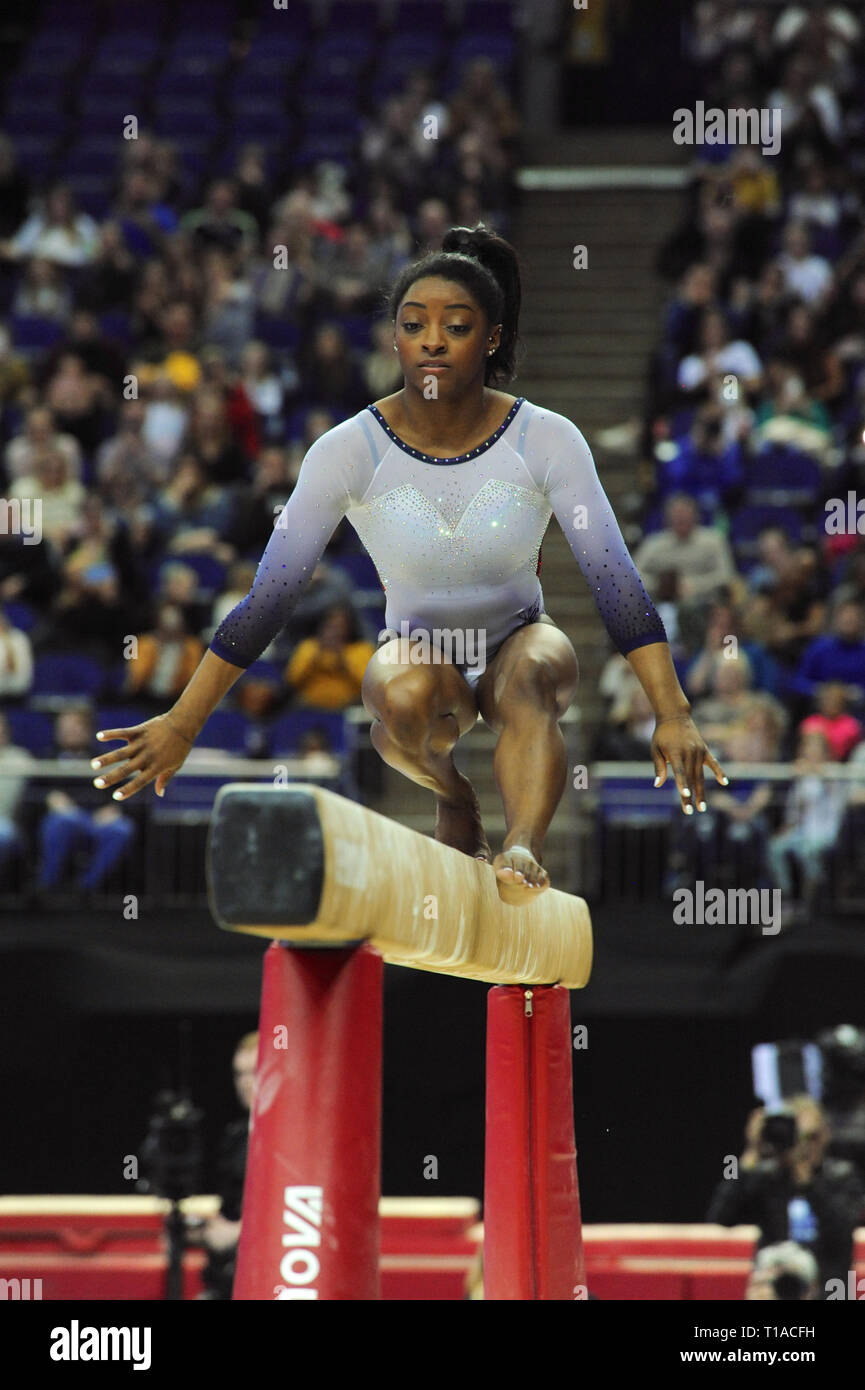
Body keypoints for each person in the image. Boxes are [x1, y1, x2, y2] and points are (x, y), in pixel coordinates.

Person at [89, 224, 728, 901]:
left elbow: (617, 586)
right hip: (418, 652)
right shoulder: (346, 451)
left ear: (489, 338)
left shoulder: (546, 439)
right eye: (412, 324)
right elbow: (268, 601)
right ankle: (455, 798)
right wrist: (183, 722)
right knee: (398, 695)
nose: (430, 340)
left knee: (532, 675)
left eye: (454, 326)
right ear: (393, 338)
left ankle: (521, 851)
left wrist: (672, 711)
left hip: (519, 637)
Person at [707, 1096, 864, 1296]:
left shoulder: (842, 1177)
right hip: (772, 1286)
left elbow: (841, 1231)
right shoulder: (767, 1178)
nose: (805, 1146)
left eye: (812, 1137)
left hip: (828, 1288)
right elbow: (720, 1217)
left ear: (826, 1135)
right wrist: (750, 1153)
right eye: (799, 1137)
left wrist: (806, 1181)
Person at [193, 1031, 258, 1300]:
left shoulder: (297, 1138)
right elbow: (229, 1205)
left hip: (269, 1272)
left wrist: (239, 1233)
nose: (244, 1083)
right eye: (238, 1074)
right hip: (224, 1276)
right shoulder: (235, 1136)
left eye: (253, 1072)